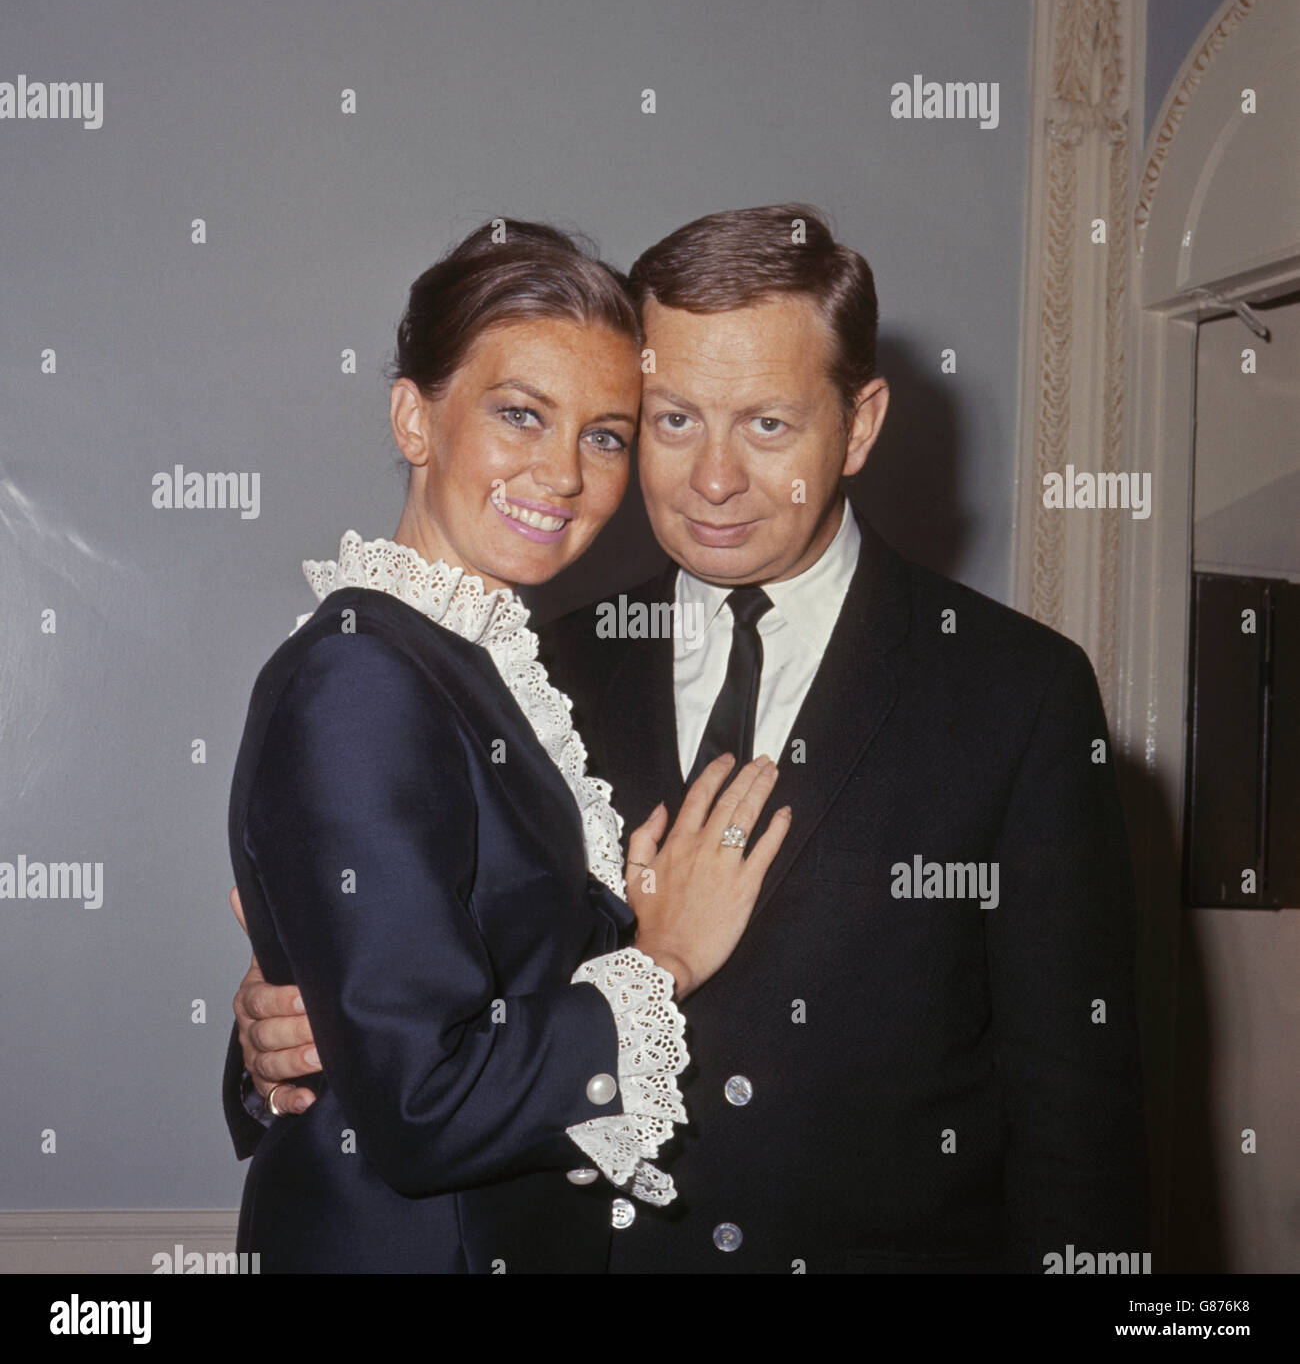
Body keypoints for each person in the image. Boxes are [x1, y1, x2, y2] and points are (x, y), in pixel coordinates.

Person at [230, 205, 1148, 1273]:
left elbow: (1078, 1112)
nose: (713, 479)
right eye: (669, 422)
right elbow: (430, 998)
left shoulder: (1016, 691)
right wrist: (282, 1045)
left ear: (857, 426)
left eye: (766, 424)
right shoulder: (534, 669)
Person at [222, 218, 789, 1273]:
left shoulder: (494, 667)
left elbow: (433, 973)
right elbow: (423, 1104)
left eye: (606, 434)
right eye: (520, 414)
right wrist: (660, 961)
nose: (564, 473)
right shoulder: (362, 673)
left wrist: (297, 1024)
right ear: (413, 417)